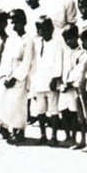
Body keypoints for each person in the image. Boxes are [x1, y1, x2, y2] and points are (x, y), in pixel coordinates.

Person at [0, 9, 34, 145]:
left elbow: (27, 62)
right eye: (12, 22)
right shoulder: (11, 39)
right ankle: (4, 129)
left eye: (17, 22)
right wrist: (3, 76)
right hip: (7, 75)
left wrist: (15, 77)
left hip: (19, 77)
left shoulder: (28, 40)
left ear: (24, 22)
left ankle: (19, 132)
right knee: (1, 100)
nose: (15, 25)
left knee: (17, 105)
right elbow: (5, 58)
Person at [29, 16, 63, 145]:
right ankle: (43, 134)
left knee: (53, 110)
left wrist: (55, 78)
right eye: (42, 29)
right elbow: (34, 63)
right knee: (40, 110)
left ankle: (54, 136)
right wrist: (33, 82)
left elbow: (59, 62)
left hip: (51, 81)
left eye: (48, 28)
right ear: (38, 31)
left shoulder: (57, 43)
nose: (46, 31)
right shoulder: (36, 43)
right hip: (39, 81)